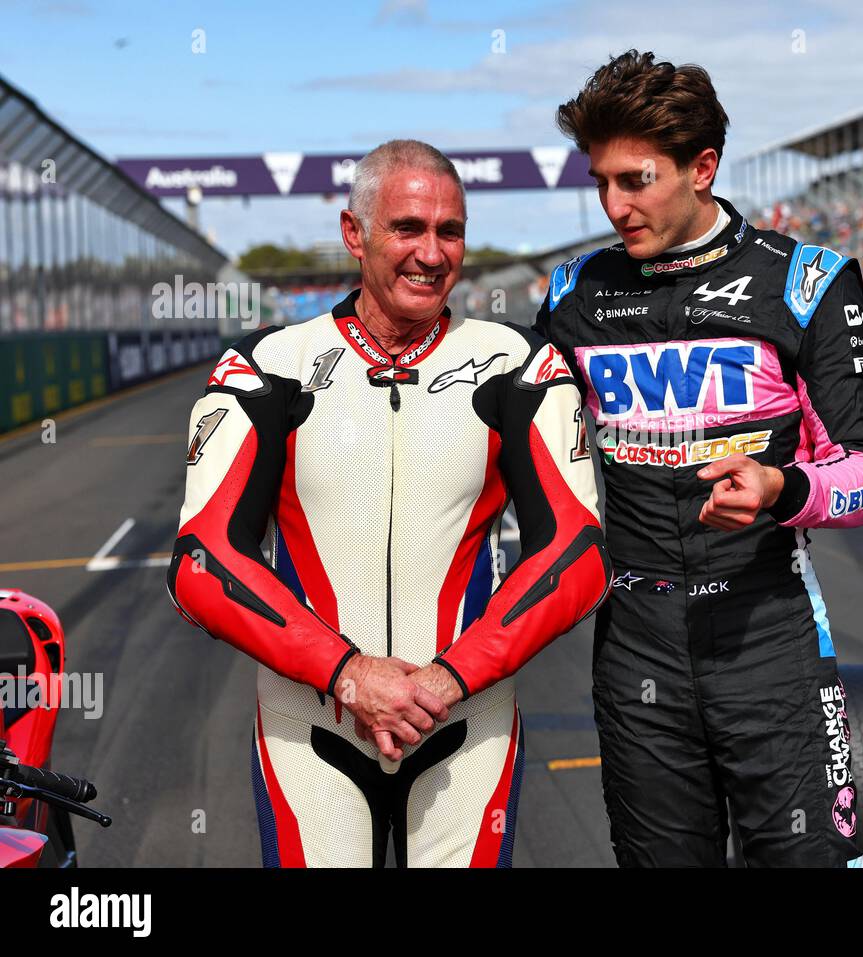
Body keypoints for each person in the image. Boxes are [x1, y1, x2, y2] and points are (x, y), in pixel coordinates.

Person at [167, 140, 610, 867]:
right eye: (408, 227)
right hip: (310, 725)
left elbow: (580, 553)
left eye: (451, 230)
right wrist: (347, 673)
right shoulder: (264, 366)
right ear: (354, 233)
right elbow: (201, 564)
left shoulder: (520, 361)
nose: (432, 253)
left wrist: (449, 677)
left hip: (465, 718)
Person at [536, 51, 863, 866]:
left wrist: (782, 485)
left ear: (703, 168)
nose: (614, 205)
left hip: (767, 633)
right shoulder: (570, 294)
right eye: (600, 182)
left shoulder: (806, 283)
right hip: (634, 640)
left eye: (636, 179)